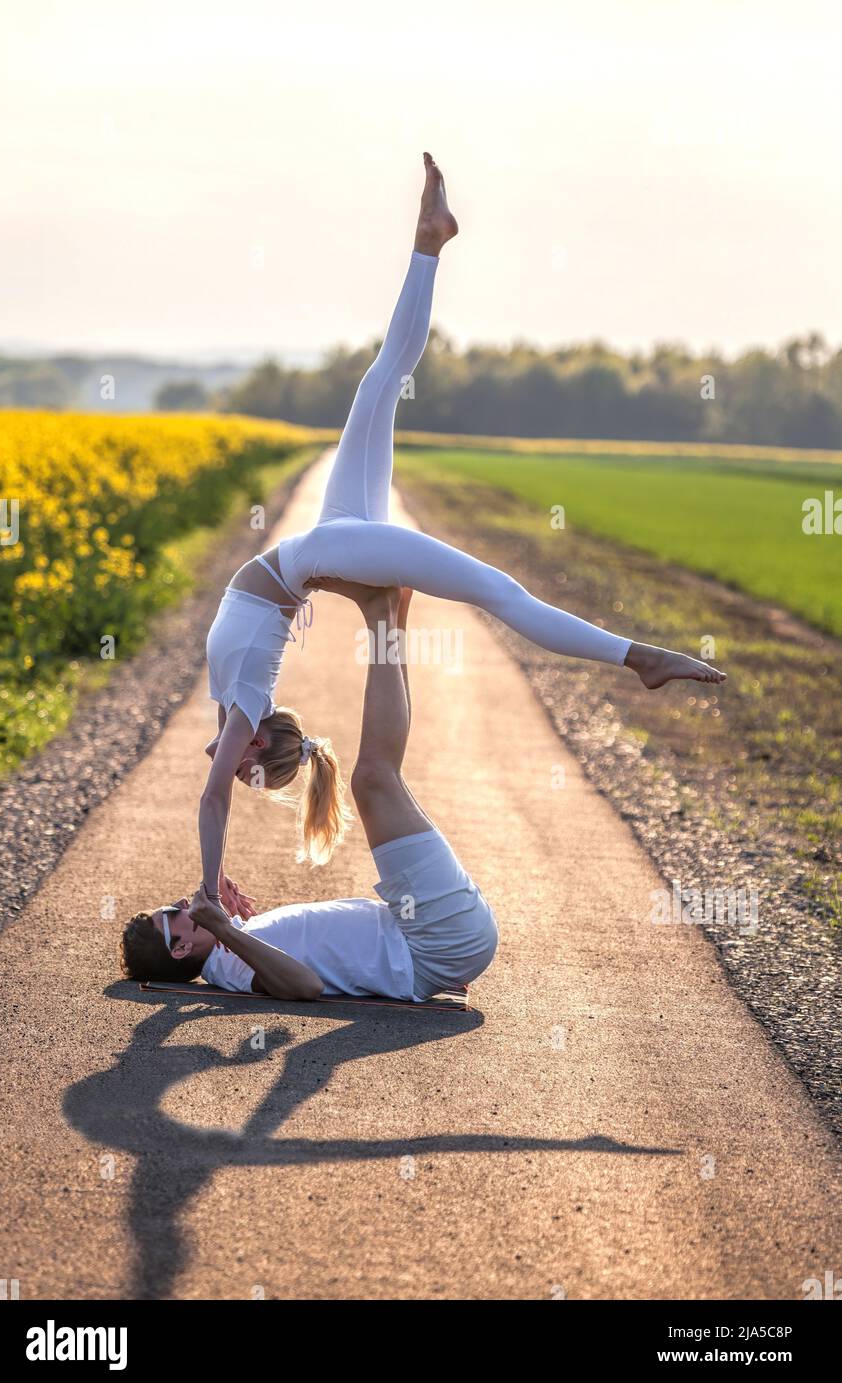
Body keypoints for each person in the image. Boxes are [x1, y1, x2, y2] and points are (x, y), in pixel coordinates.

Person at [200, 151, 725, 903]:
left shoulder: (235, 705)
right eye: (245, 770)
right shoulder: (246, 703)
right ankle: (638, 656)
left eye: (239, 774)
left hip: (329, 537)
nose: (225, 769)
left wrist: (211, 884)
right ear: (255, 743)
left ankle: (429, 239)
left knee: (381, 377)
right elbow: (217, 791)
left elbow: (213, 795)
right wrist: (213, 881)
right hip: (330, 545)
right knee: (497, 589)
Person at [120, 585, 498, 1005]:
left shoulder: (235, 950)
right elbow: (305, 987)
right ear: (180, 949)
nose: (181, 902)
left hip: (431, 941)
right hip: (435, 945)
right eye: (173, 914)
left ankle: (392, 615)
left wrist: (227, 920)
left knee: (382, 779)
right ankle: (380, 615)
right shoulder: (228, 968)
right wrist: (224, 929)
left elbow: (321, 951)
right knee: (374, 780)